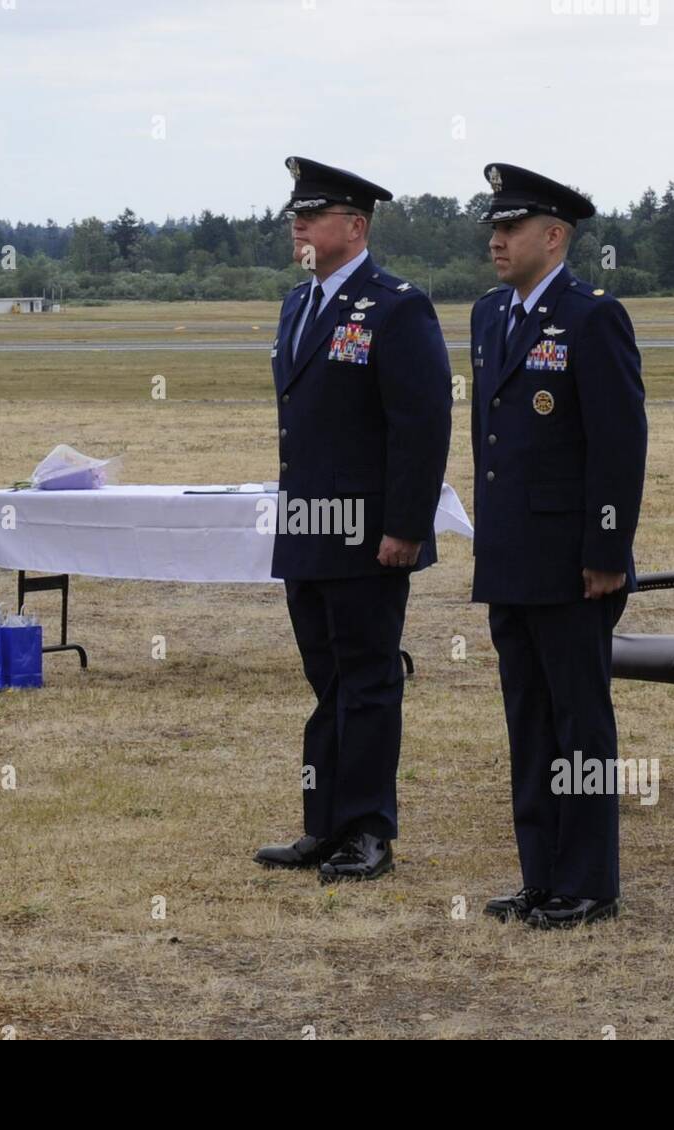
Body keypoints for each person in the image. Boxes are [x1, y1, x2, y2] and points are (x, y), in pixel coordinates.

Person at [254, 157, 452, 882]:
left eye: (313, 214)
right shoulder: (296, 304)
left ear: (355, 226)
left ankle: (369, 829)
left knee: (368, 682)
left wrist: (405, 525)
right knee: (326, 683)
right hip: (307, 528)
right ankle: (324, 825)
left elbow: (421, 424)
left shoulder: (396, 306)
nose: (297, 225)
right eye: (294, 215)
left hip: (370, 537)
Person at [469, 164, 647, 929]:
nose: (496, 239)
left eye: (510, 228)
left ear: (555, 236)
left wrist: (606, 548)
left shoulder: (591, 317)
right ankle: (541, 873)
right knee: (529, 721)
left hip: (575, 564)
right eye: (493, 227)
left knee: (579, 724)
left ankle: (588, 881)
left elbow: (619, 441)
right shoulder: (490, 315)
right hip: (510, 559)